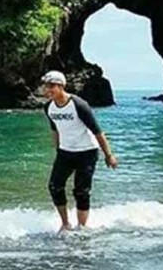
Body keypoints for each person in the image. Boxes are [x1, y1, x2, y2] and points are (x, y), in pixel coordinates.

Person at [41, 71, 118, 232]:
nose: (48, 90)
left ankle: (82, 227)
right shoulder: (49, 107)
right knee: (54, 186)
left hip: (87, 152)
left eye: (51, 86)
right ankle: (65, 224)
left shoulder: (78, 104)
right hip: (65, 152)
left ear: (61, 86)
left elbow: (97, 131)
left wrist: (109, 155)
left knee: (81, 191)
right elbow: (54, 129)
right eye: (46, 87)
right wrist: (57, 151)